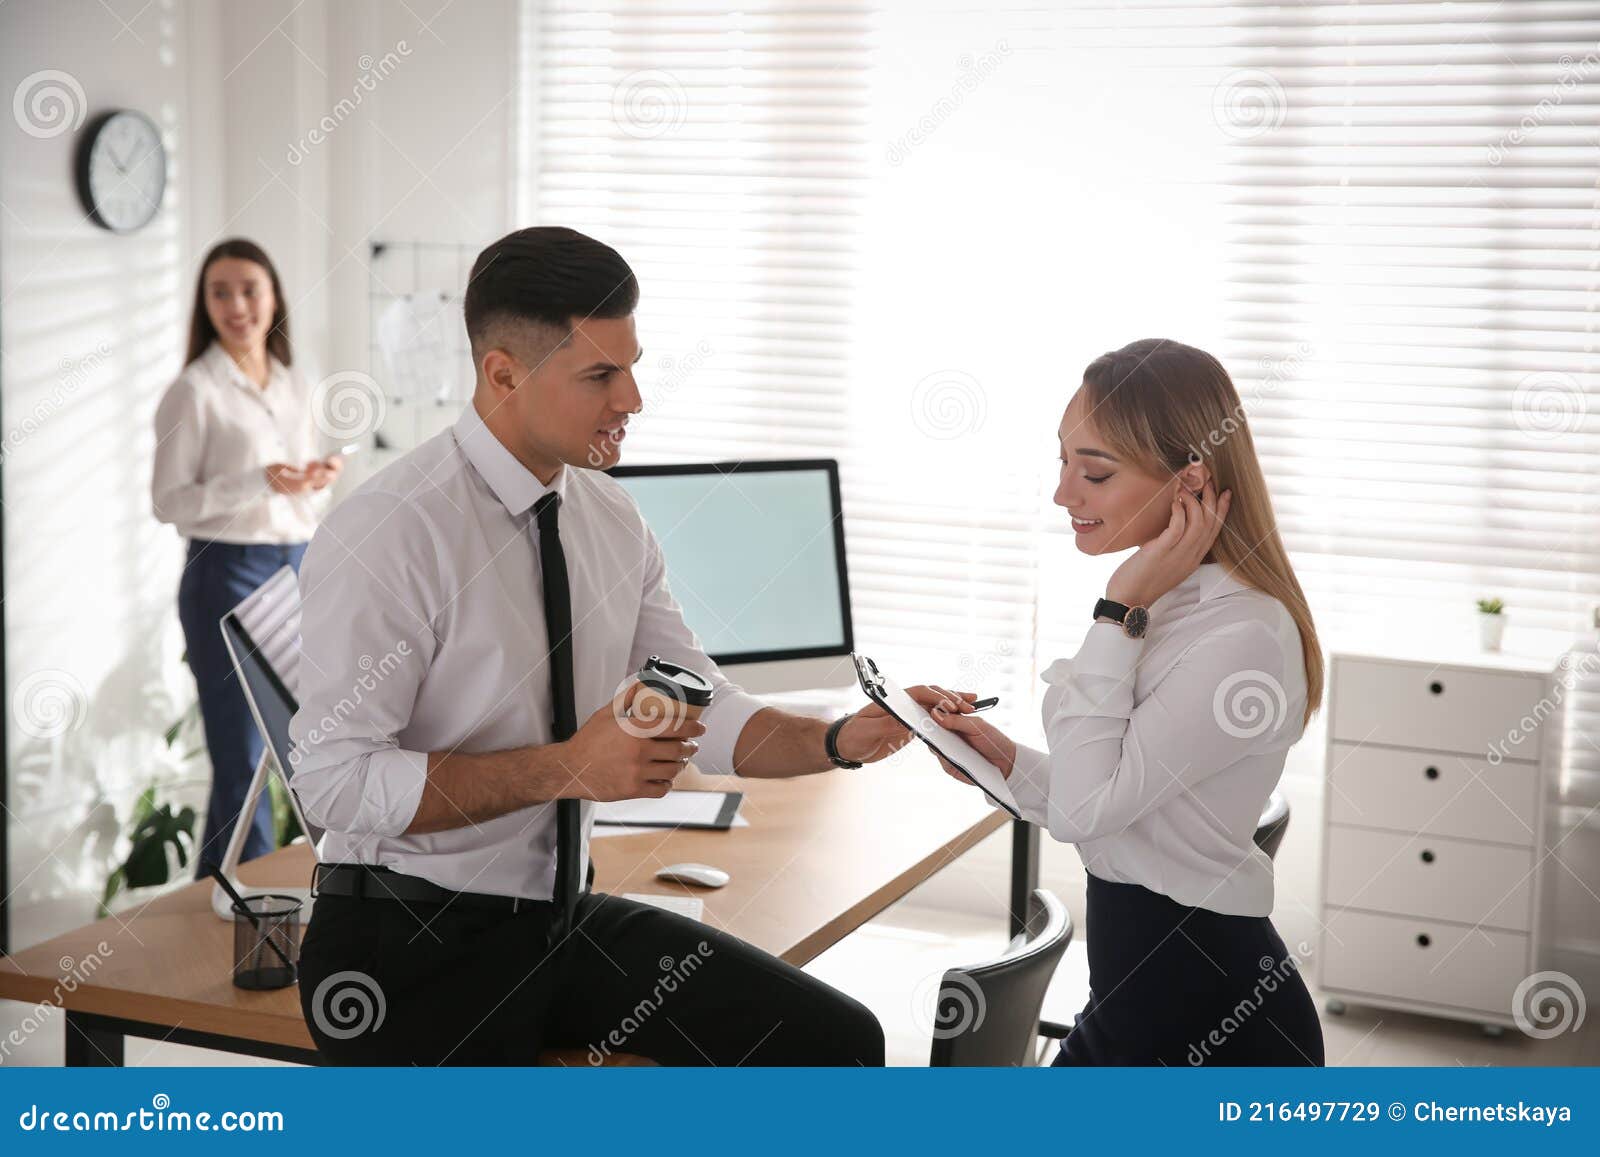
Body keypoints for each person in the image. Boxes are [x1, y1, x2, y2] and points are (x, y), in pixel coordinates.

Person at [288, 226, 923, 1066]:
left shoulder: (607, 515)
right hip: (405, 942)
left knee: (835, 1042)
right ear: (502, 372)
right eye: (600, 375)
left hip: (557, 922)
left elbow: (700, 701)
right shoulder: (392, 530)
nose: (633, 398)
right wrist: (567, 769)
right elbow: (332, 781)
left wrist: (842, 739)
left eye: (631, 366)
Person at [924, 338, 1326, 1066]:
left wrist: (1119, 607)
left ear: (1190, 483)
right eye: (1063, 460)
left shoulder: (1242, 636)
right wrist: (1009, 764)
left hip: (1201, 1007)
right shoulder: (1171, 604)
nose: (1063, 493)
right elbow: (1121, 803)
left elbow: (1090, 810)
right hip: (1142, 992)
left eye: (1096, 471)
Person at [153, 238, 344, 879]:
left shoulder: (295, 383)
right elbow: (167, 502)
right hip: (226, 572)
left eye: (249, 289)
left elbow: (292, 487)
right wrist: (257, 479)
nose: (237, 305)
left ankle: (251, 896)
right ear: (204, 304)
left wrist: (319, 477)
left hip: (298, 563)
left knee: (303, 749)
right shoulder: (194, 391)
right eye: (220, 292)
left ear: (274, 297)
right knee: (242, 758)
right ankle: (236, 909)